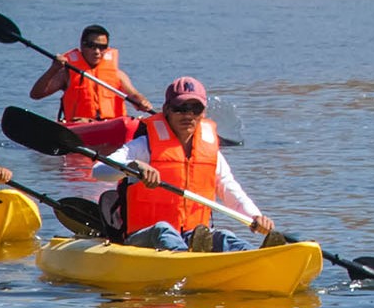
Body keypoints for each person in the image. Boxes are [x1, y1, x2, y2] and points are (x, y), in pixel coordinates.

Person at [105, 76, 278, 251]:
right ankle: (187, 259)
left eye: (195, 109)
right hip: (144, 238)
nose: (188, 115)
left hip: (191, 235)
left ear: (203, 112)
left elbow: (229, 188)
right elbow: (99, 171)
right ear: (167, 110)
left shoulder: (211, 153)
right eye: (180, 108)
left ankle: (258, 256)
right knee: (163, 230)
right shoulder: (144, 145)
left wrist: (254, 216)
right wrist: (133, 166)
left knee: (223, 236)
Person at [27, 22, 153, 127]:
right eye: (92, 46)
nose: (97, 52)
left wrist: (142, 101)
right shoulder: (67, 73)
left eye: (102, 47)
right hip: (79, 126)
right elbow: (36, 94)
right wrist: (53, 69)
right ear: (82, 45)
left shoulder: (118, 74)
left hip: (113, 125)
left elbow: (134, 94)